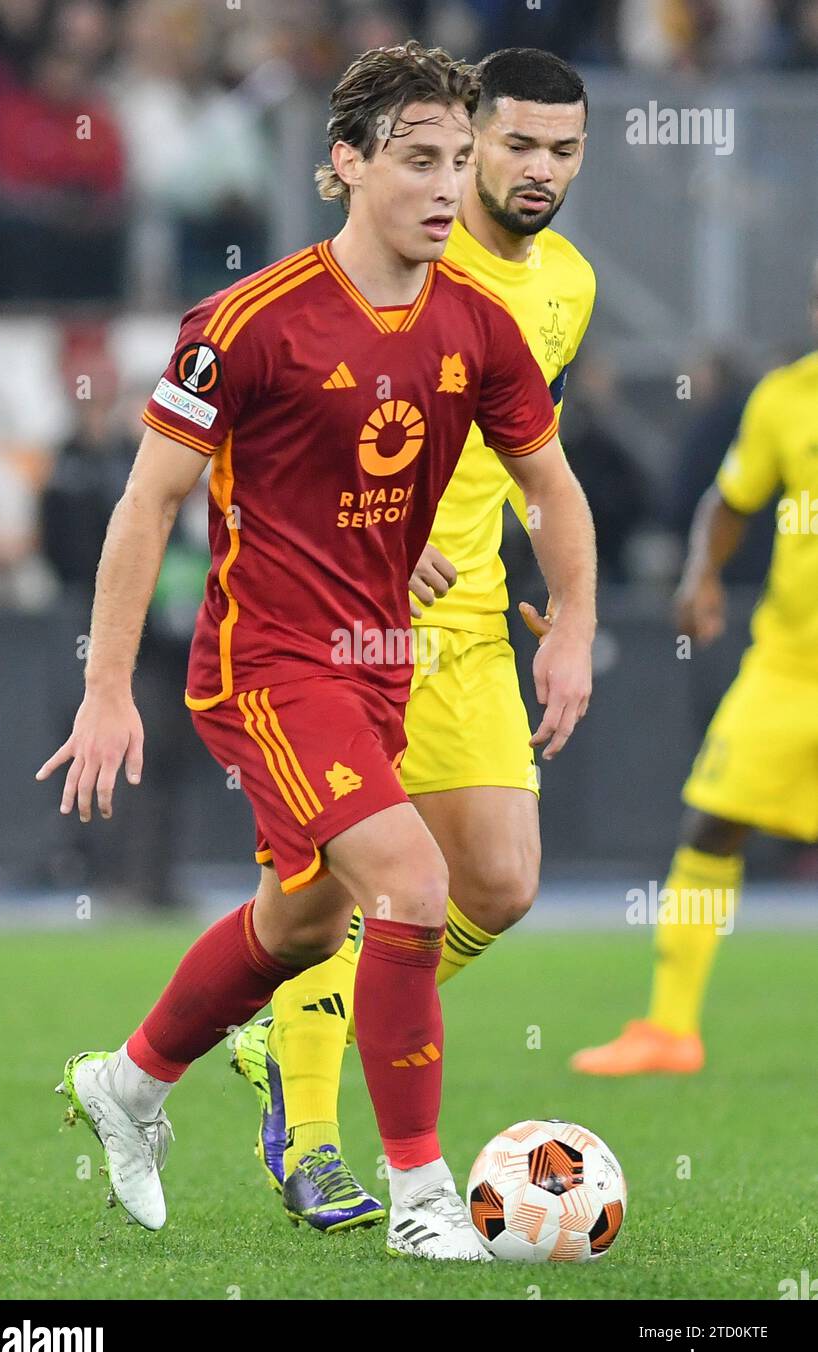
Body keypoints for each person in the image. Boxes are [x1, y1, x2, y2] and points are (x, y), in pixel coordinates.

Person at [39, 41, 596, 1261]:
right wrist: (105, 687)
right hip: (268, 662)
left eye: (458, 160)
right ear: (344, 162)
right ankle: (422, 1195)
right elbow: (146, 503)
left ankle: (128, 1083)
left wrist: (573, 625)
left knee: (295, 928)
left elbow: (550, 485)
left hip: (382, 662)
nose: (446, 187)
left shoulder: (478, 325)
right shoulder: (246, 321)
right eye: (417, 160)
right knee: (412, 884)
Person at [229, 46, 599, 1233]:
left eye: (562, 150)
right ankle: (312, 1132)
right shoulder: (393, 260)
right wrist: (370, 541)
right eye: (513, 144)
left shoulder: (568, 285)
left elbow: (532, 461)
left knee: (499, 882)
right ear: (457, 143)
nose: (537, 170)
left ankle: (297, 1020)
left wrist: (571, 615)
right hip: (345, 623)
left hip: (472, 620)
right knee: (354, 896)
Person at [572, 260, 818, 1076]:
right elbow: (731, 499)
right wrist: (700, 574)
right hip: (790, 664)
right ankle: (670, 1029)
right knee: (712, 820)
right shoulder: (785, 398)